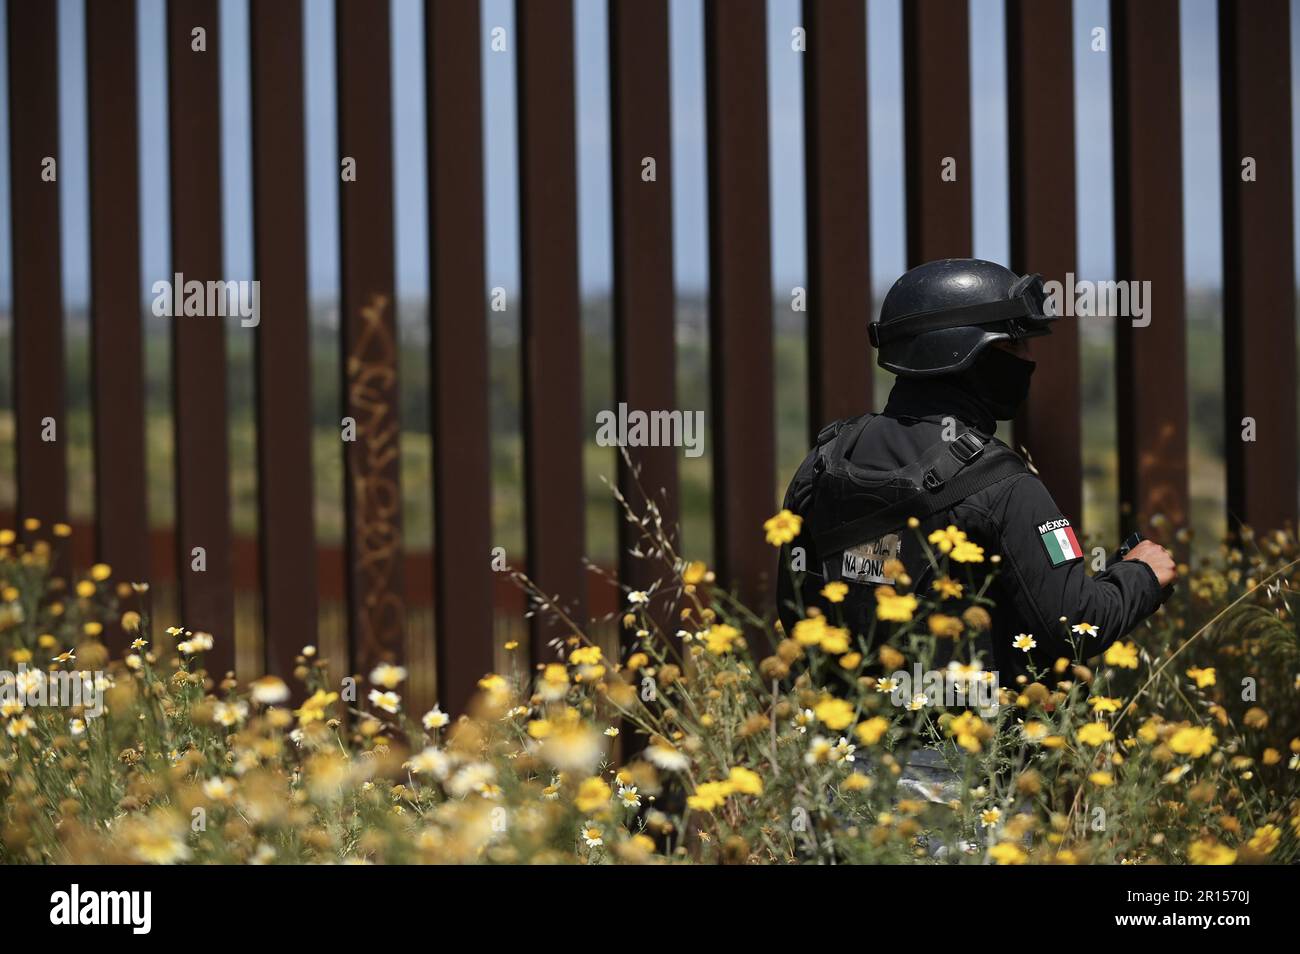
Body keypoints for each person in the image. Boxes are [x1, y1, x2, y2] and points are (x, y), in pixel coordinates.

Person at [777, 258, 1177, 689]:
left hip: (839, 739)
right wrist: (1142, 575)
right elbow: (1077, 623)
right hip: (963, 748)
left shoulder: (826, 457)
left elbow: (793, 605)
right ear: (971, 351)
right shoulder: (1001, 482)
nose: (1029, 359)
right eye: (1016, 345)